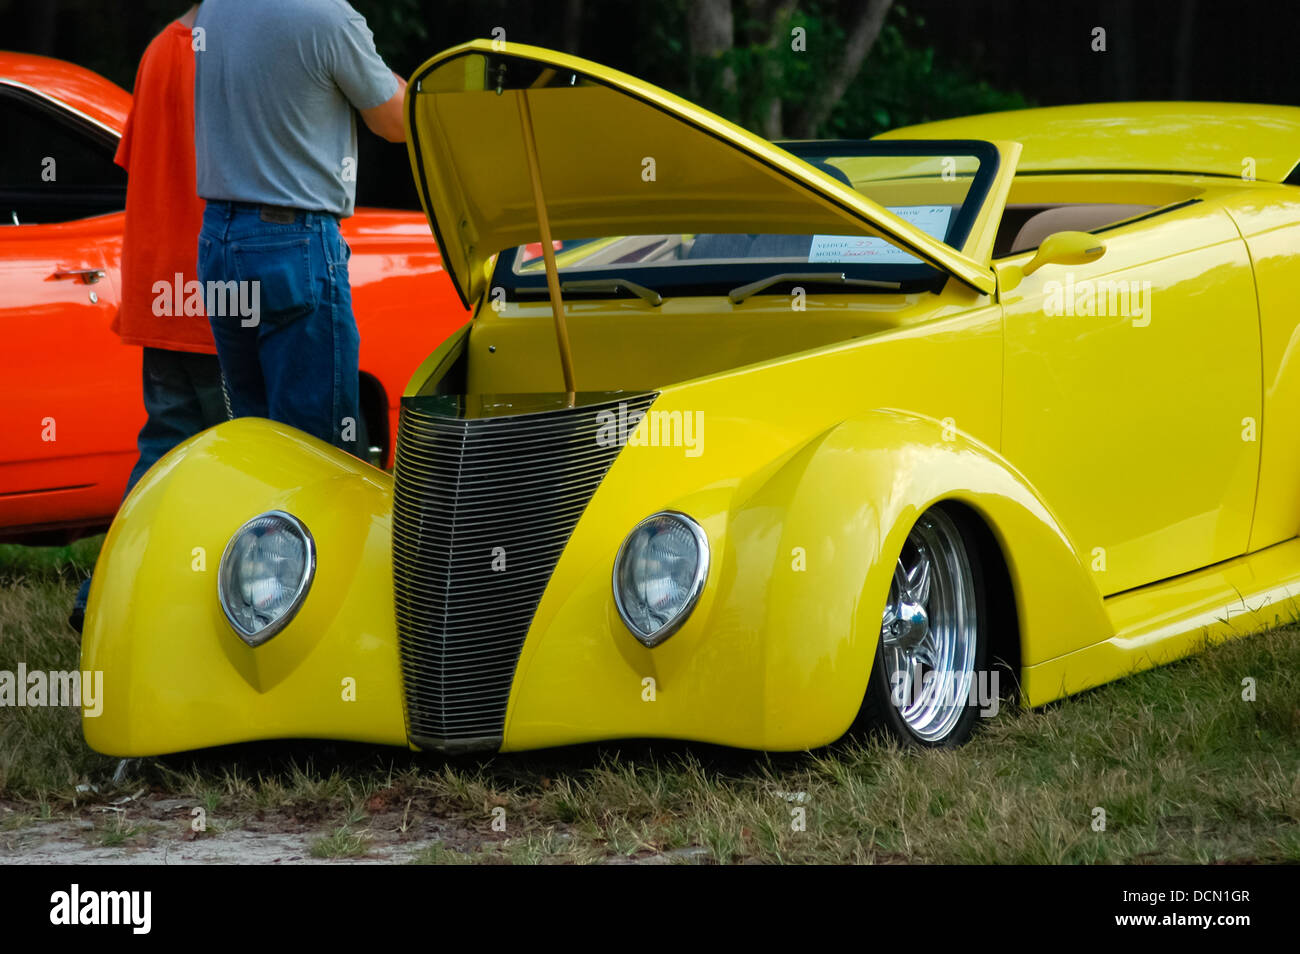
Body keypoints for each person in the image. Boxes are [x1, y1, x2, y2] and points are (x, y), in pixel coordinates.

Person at [70, 2, 227, 632]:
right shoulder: (232, 54)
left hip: (158, 294)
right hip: (215, 300)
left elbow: (139, 162)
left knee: (163, 454)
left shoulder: (160, 47)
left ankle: (103, 593)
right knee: (235, 457)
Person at [192, 0, 406, 455]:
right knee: (314, 447)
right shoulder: (328, 17)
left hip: (220, 239)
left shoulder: (215, 9)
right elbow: (395, 121)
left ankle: (262, 526)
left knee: (254, 442)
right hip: (292, 243)